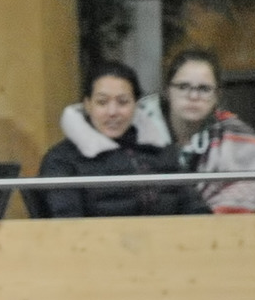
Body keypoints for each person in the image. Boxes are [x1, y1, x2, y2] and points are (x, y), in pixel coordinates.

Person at [37, 62, 210, 219]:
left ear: (136, 105)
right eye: (102, 102)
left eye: (123, 102)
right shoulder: (61, 160)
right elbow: (67, 225)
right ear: (87, 105)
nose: (113, 112)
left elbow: (197, 210)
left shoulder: (160, 151)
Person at [152, 48, 255, 212]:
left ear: (217, 95)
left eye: (204, 89)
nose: (193, 96)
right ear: (167, 91)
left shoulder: (230, 131)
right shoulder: (141, 129)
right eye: (183, 87)